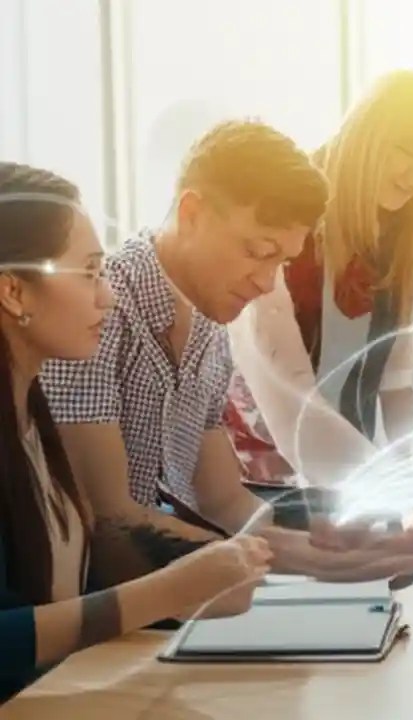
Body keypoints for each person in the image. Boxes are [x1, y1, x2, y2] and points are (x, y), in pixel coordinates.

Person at [40, 120, 413, 584]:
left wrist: (322, 552)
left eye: (283, 262)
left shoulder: (211, 329)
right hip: (105, 609)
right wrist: (304, 559)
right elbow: (112, 521)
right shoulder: (97, 313)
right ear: (192, 213)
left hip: (174, 596)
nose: (267, 282)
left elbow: (225, 503)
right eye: (258, 251)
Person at [0, 162, 272, 702]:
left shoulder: (31, 416)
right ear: (13, 292)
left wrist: (206, 576)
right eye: (90, 273)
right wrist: (165, 591)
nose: (108, 297)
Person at [226, 70, 413, 487]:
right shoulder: (287, 216)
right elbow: (289, 391)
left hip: (355, 483)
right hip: (262, 482)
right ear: (366, 135)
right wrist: (397, 489)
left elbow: (397, 383)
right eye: (406, 151)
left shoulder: (402, 240)